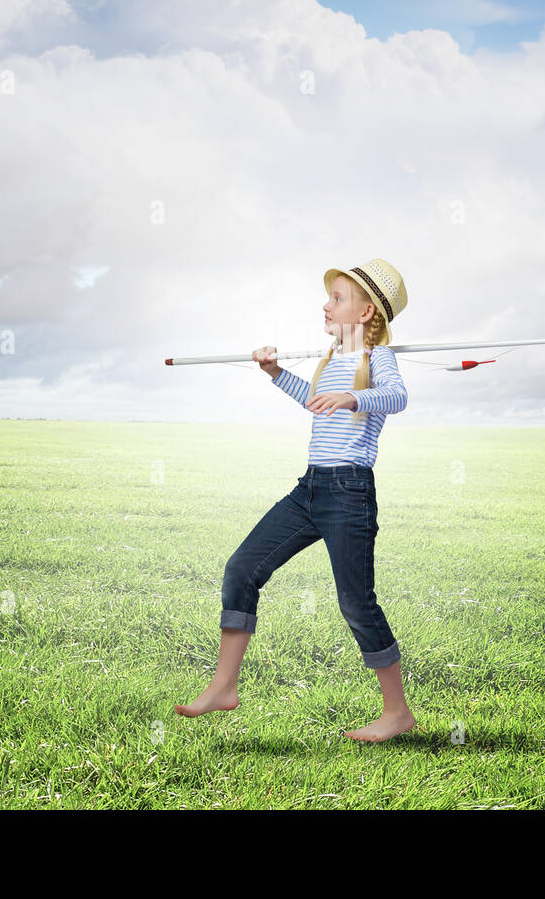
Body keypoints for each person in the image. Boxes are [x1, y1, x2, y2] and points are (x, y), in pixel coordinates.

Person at [176, 258, 416, 742]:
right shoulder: (331, 357)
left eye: (338, 298)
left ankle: (397, 713)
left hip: (349, 492)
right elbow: (312, 399)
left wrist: (352, 398)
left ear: (367, 312)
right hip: (310, 490)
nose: (326, 305)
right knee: (242, 568)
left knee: (356, 602)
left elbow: (397, 397)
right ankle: (224, 686)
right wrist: (273, 372)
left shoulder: (378, 360)